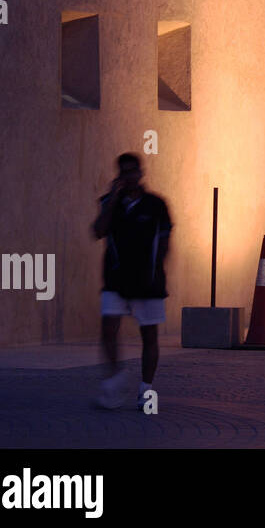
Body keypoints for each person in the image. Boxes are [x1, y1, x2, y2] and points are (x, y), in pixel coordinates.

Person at [92, 152, 173, 410]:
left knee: (149, 336)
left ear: (140, 173)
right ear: (118, 176)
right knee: (108, 331)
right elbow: (98, 231)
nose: (128, 177)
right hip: (115, 280)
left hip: (147, 282)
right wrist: (112, 200)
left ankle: (146, 389)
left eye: (132, 171)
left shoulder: (157, 205)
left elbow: (164, 244)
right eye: (123, 172)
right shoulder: (109, 202)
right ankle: (116, 379)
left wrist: (156, 273)